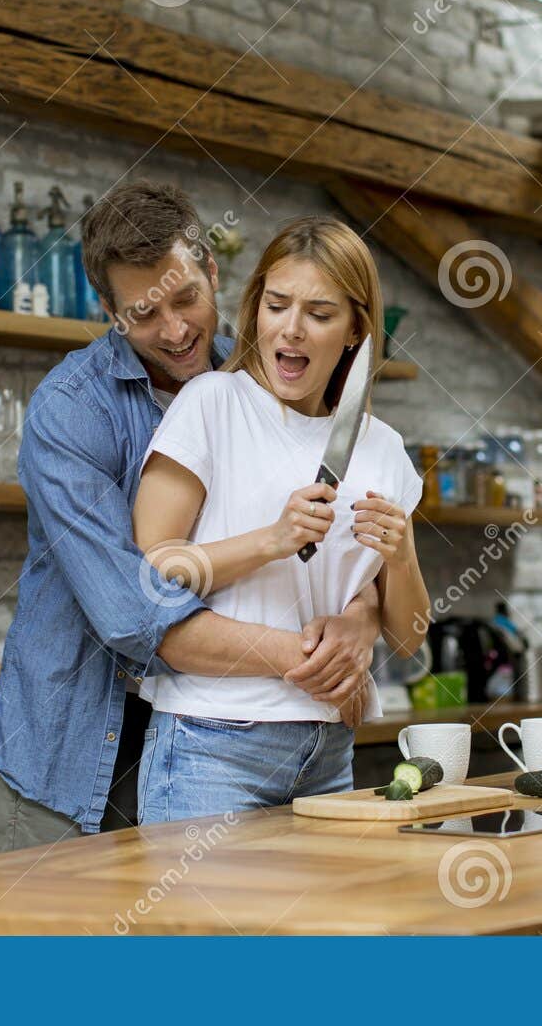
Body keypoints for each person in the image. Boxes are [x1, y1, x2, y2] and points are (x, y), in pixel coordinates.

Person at [0, 184, 382, 853]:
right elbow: (134, 611)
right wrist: (313, 663)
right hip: (66, 767)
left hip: (214, 751)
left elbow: (342, 542)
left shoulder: (270, 383)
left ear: (211, 272)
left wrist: (360, 621)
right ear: (108, 311)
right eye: (142, 312)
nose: (175, 328)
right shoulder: (70, 414)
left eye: (186, 297)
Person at [132, 216, 432, 822]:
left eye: (320, 315)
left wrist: (396, 564)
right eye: (276, 306)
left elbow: (409, 635)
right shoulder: (212, 404)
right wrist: (272, 539)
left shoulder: (383, 448)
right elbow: (154, 570)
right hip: (211, 745)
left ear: (355, 330)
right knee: (209, 923)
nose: (290, 330)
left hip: (328, 751)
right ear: (256, 308)